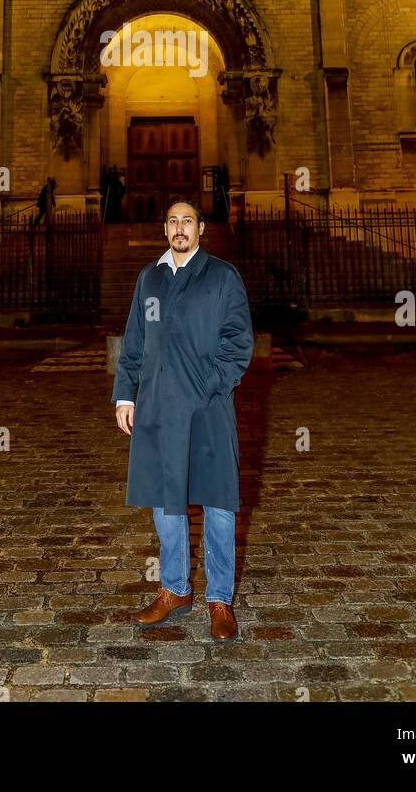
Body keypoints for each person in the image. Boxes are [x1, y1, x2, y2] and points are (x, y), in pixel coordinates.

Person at [112, 199, 253, 641]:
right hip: (156, 408)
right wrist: (124, 395)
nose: (179, 228)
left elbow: (238, 343)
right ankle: (174, 589)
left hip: (208, 408)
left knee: (218, 502)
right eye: (172, 221)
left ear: (201, 228)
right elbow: (135, 342)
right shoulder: (149, 279)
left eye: (187, 221)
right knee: (165, 500)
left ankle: (219, 599)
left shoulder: (222, 277)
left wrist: (208, 386)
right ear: (164, 229)